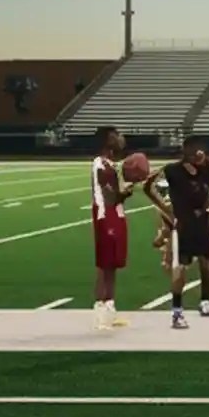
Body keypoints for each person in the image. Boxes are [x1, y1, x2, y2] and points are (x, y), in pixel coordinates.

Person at [143, 137, 209, 329]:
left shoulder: (208, 167)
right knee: (180, 268)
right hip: (183, 224)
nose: (200, 154)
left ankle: (206, 302)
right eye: (196, 150)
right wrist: (166, 210)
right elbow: (148, 187)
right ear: (186, 152)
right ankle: (177, 312)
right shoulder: (172, 170)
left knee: (207, 264)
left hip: (202, 222)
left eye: (201, 150)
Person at [91, 126, 133, 330]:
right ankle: (100, 311)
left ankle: (110, 308)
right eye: (117, 135)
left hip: (115, 214)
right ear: (108, 140)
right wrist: (129, 189)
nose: (121, 139)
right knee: (105, 264)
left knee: (114, 264)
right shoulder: (100, 165)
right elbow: (110, 196)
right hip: (105, 215)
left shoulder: (111, 165)